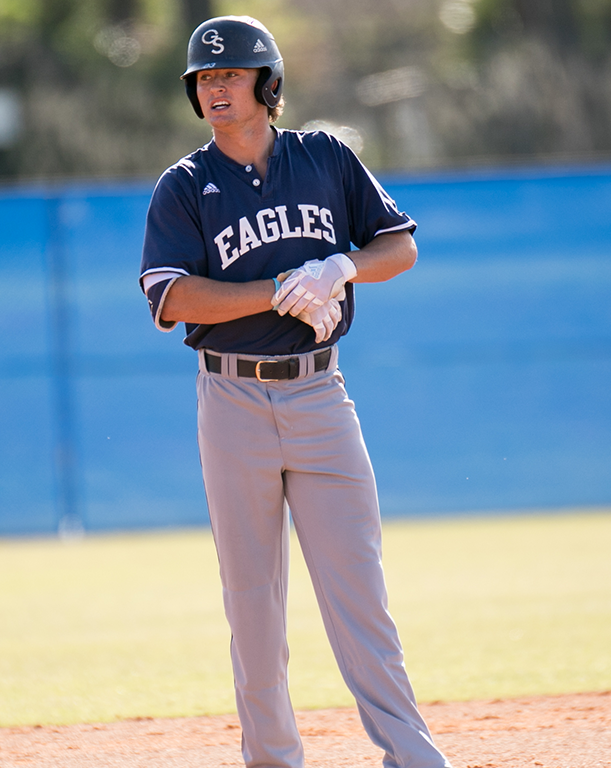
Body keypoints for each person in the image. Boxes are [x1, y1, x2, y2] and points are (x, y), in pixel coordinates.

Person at [139, 16, 451, 768]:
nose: (215, 88)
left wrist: (340, 267)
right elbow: (172, 298)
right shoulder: (185, 186)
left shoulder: (325, 158)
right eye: (204, 79)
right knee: (253, 605)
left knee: (358, 590)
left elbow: (398, 244)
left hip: (321, 397)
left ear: (267, 85)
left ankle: (412, 756)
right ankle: (273, 761)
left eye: (230, 75)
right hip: (233, 403)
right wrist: (279, 287)